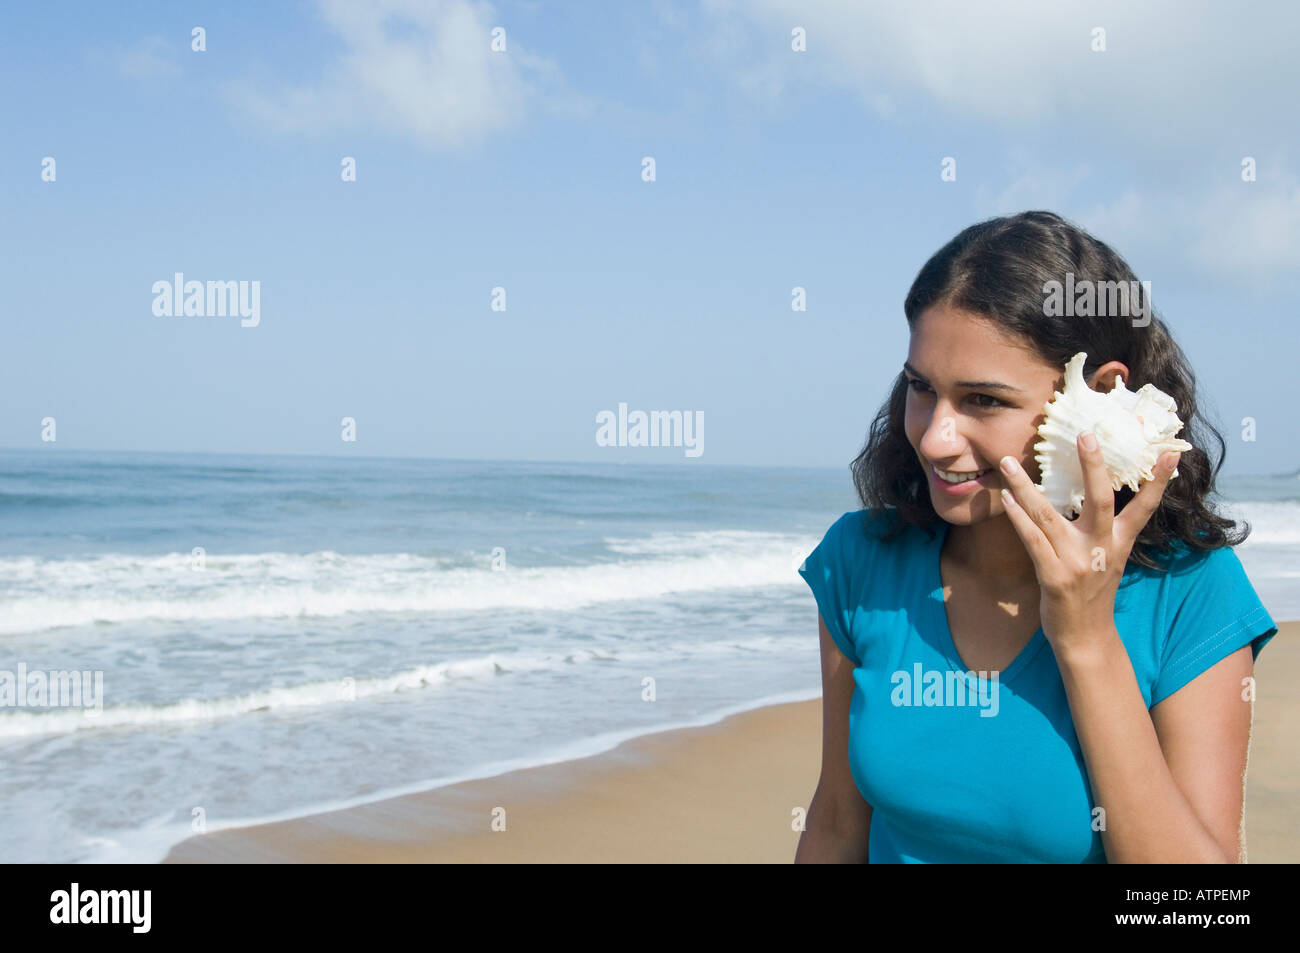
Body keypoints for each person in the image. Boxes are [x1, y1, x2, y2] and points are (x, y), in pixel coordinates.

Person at [794, 210, 1277, 863]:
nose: (934, 437)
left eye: (984, 400)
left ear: (1100, 394)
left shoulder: (1190, 591)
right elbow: (835, 825)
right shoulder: (861, 563)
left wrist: (1086, 639)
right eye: (921, 388)